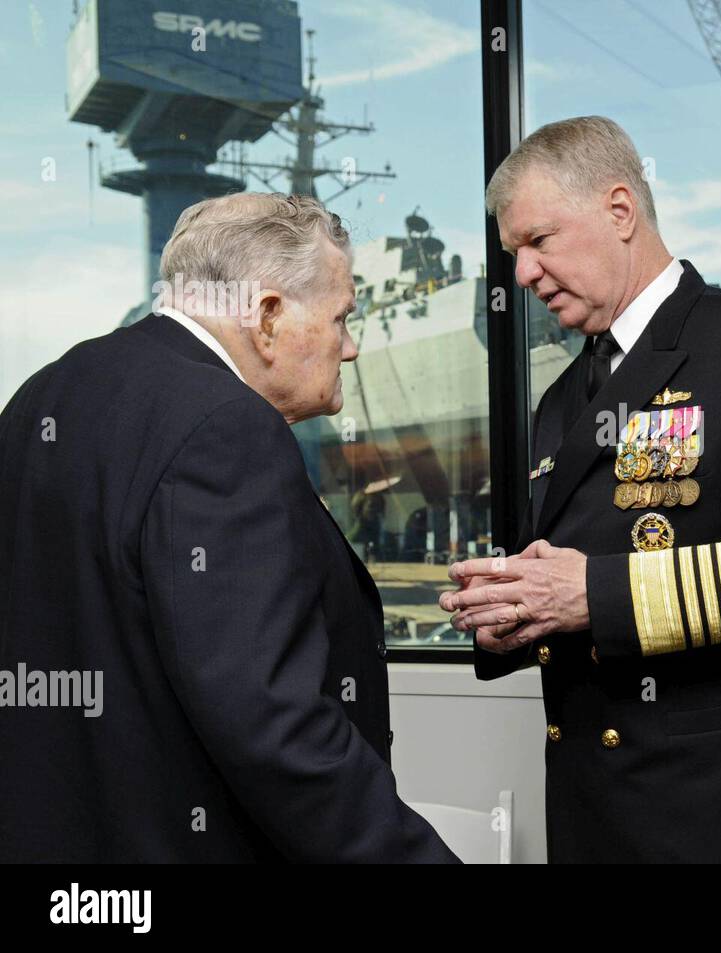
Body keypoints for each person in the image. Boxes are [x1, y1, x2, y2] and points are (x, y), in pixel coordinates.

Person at [441, 116, 721, 862]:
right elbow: (573, 574)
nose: (522, 275)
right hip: (595, 816)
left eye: (538, 241)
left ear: (619, 211)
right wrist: (513, 607)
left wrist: (593, 596)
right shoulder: (560, 400)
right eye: (514, 253)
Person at [0, 193, 458, 863]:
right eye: (341, 318)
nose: (352, 347)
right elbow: (272, 724)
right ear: (267, 315)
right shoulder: (226, 426)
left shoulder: (38, 397)